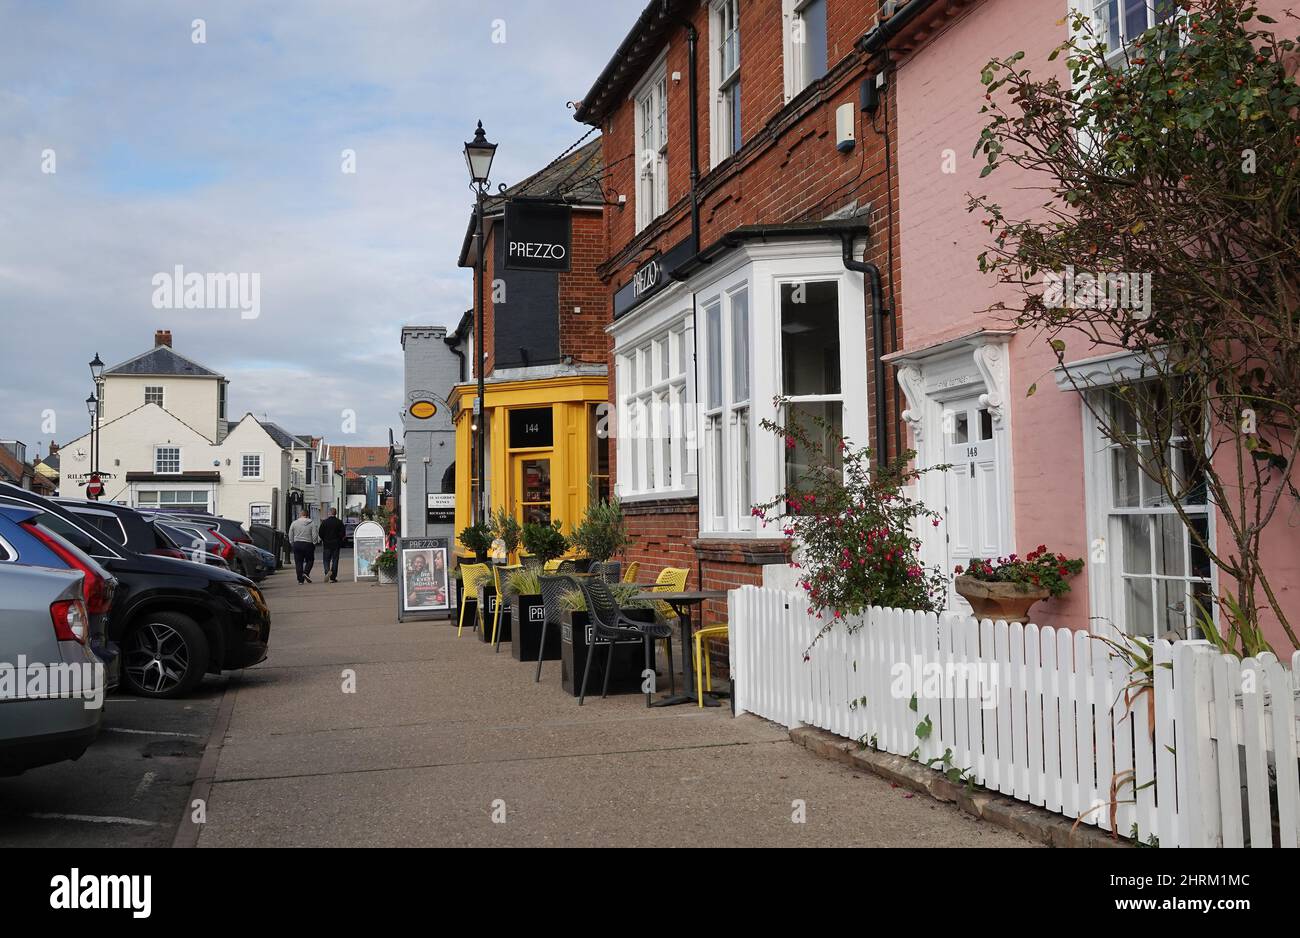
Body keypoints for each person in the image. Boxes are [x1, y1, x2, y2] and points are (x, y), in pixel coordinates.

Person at [289, 510, 320, 584]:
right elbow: (314, 534)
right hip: (308, 544)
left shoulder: (294, 523)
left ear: (300, 514)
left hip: (297, 544)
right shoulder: (311, 523)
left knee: (298, 562)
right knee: (310, 560)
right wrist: (314, 543)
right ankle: (306, 572)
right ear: (308, 515)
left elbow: (290, 533)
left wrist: (292, 542)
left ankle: (300, 580)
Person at [319, 508, 345, 583]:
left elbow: (320, 533)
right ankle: (333, 577)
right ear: (335, 513)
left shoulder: (324, 522)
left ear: (329, 513)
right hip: (336, 544)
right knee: (335, 560)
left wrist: (324, 539)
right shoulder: (339, 522)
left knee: (326, 560)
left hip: (327, 544)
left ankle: (327, 571)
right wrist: (339, 539)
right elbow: (343, 533)